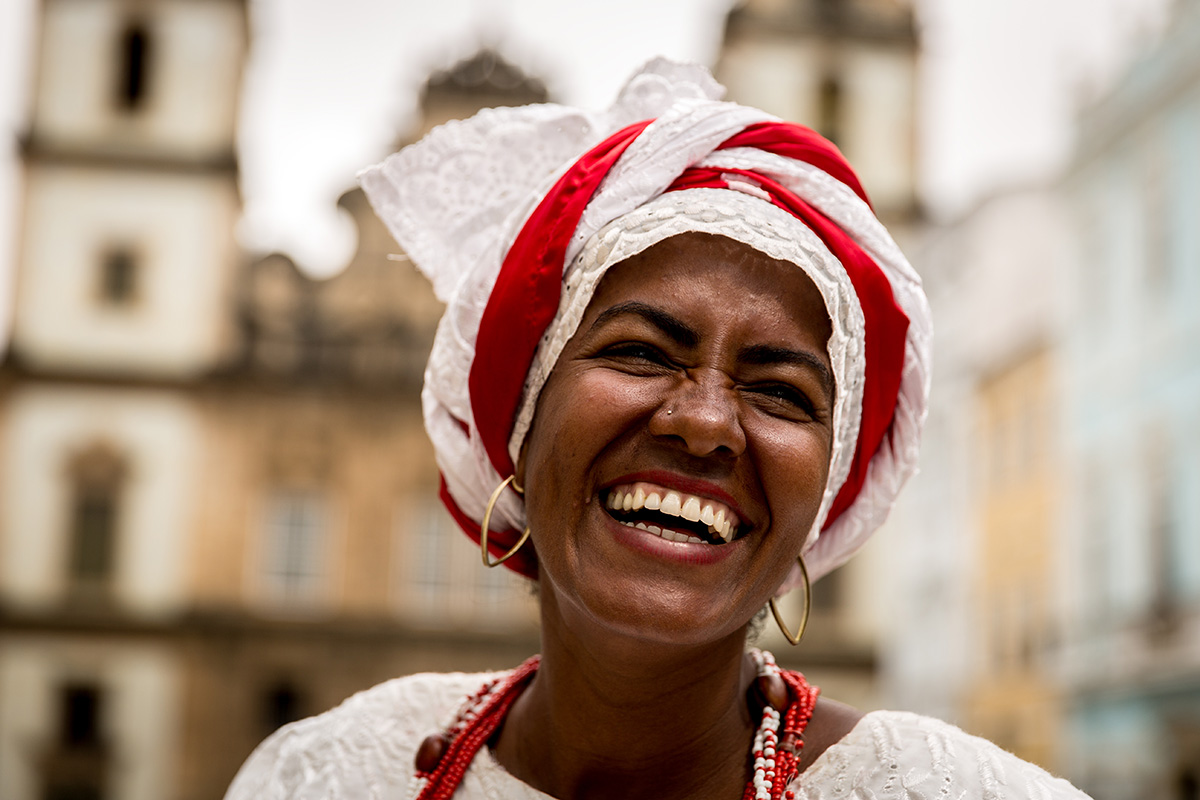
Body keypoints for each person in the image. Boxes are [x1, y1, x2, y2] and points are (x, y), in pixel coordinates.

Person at [225, 59, 1090, 800]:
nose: (707, 421)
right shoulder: (329, 774)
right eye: (641, 352)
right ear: (518, 422)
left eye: (783, 393)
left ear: (824, 496)